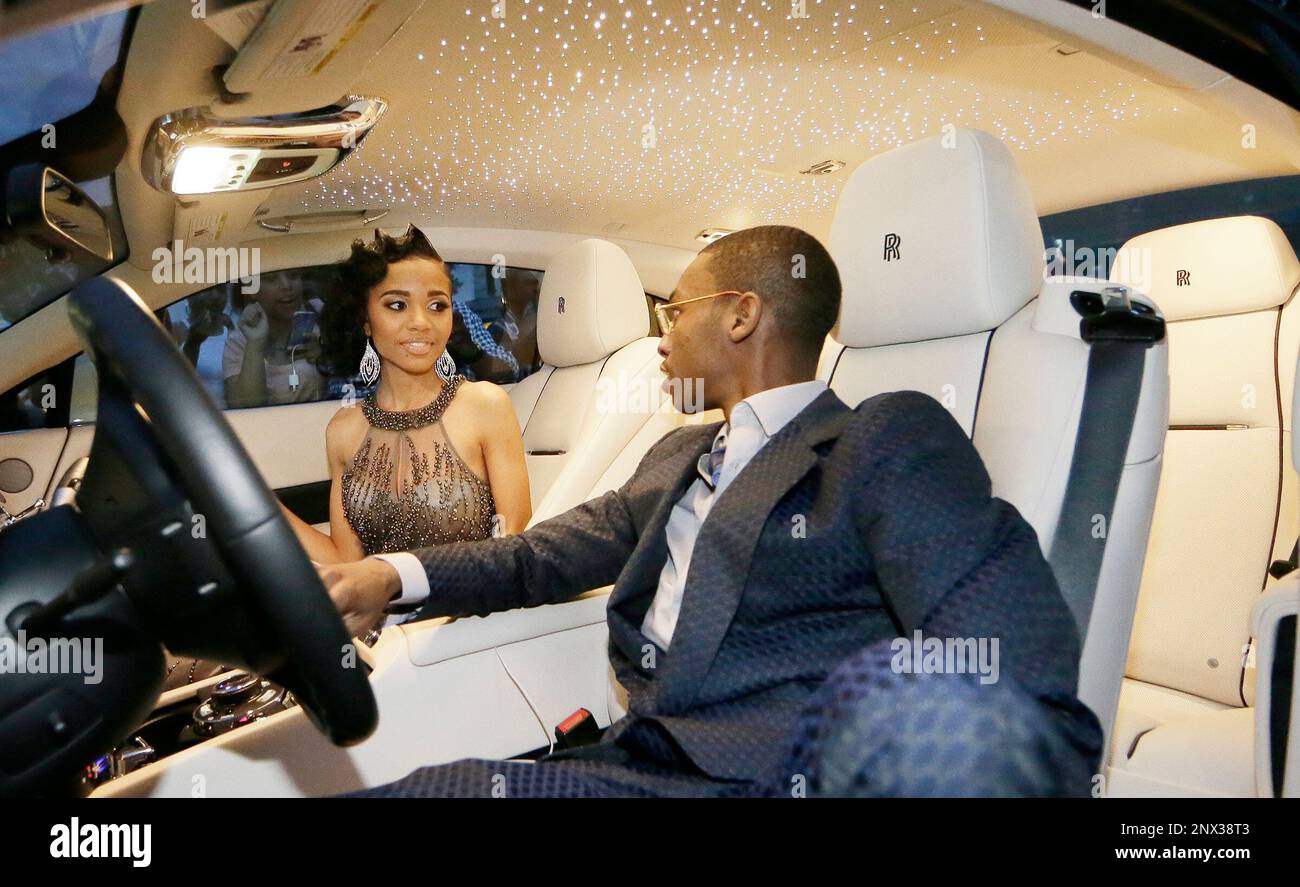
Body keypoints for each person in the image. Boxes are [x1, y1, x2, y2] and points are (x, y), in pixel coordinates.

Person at [317, 225, 1103, 797]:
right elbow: (538, 554)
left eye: (676, 312)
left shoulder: (882, 437)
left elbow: (1007, 666)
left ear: (739, 316)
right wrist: (390, 575)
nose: (661, 340)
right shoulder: (678, 456)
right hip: (632, 755)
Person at [281, 225, 532, 569]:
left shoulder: (484, 406)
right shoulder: (343, 429)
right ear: (366, 320)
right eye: (397, 305)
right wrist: (261, 506)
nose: (420, 322)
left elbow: (512, 543)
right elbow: (345, 560)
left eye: (437, 305)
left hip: (468, 616)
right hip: (382, 619)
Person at [222, 270, 324, 408]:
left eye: (293, 275)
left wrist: (327, 353)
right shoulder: (239, 341)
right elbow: (247, 408)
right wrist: (255, 343)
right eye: (271, 279)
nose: (286, 285)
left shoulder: (320, 314)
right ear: (252, 289)